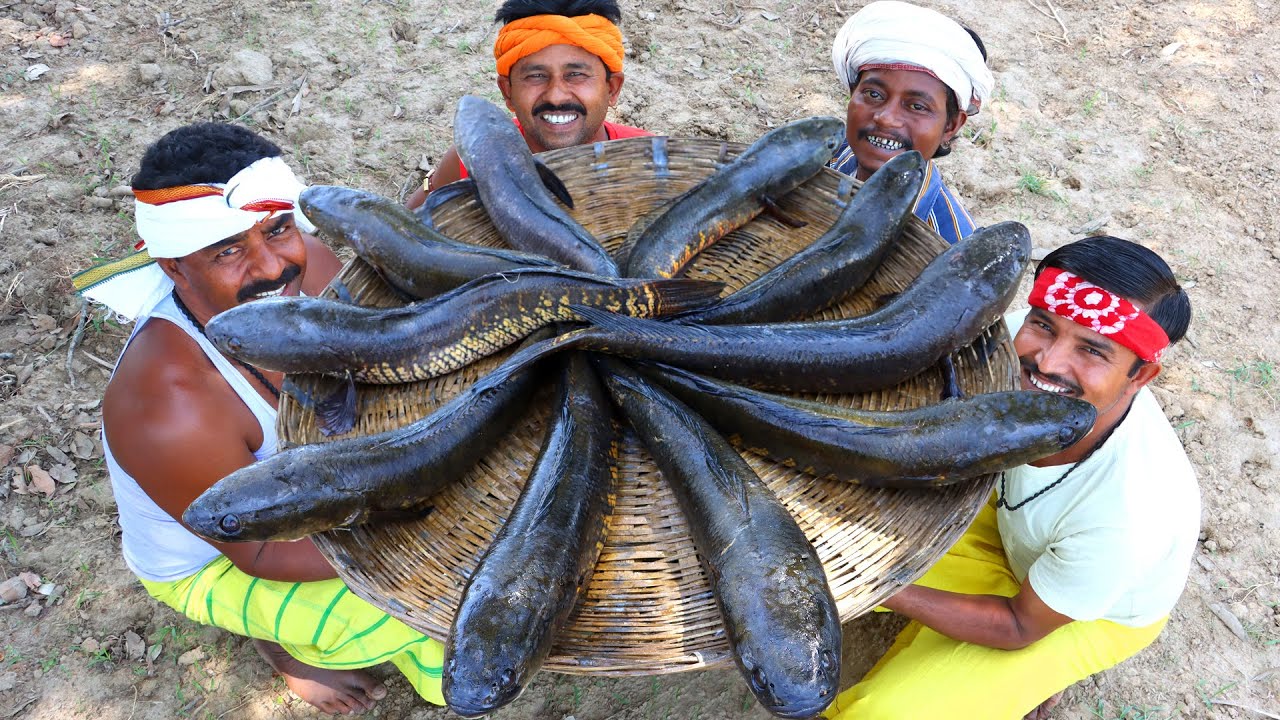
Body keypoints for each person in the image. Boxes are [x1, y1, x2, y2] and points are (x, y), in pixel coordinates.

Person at [73, 123, 446, 715]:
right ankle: (285, 646)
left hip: (304, 479)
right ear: (174, 268)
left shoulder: (309, 267)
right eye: (227, 250)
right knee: (437, 600)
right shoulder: (171, 404)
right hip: (223, 557)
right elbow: (262, 553)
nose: (273, 267)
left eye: (277, 229)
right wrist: (426, 535)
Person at [824, 236, 1200, 720]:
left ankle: (1042, 669)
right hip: (1008, 523)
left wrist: (881, 586)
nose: (1047, 362)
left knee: (886, 713)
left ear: (1141, 376)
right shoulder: (1012, 352)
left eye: (1091, 350)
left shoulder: (1131, 513)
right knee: (823, 539)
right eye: (1044, 325)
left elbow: (1019, 625)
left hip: (1075, 614)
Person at [405, 0, 650, 209]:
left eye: (576, 75)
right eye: (536, 76)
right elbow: (409, 222)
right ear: (508, 91)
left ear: (612, 88)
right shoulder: (473, 158)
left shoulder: (651, 162)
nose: (556, 96)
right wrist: (435, 181)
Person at [829, 0, 994, 244]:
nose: (886, 118)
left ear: (951, 126)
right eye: (874, 94)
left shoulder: (948, 249)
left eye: (917, 106)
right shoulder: (826, 155)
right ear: (853, 92)